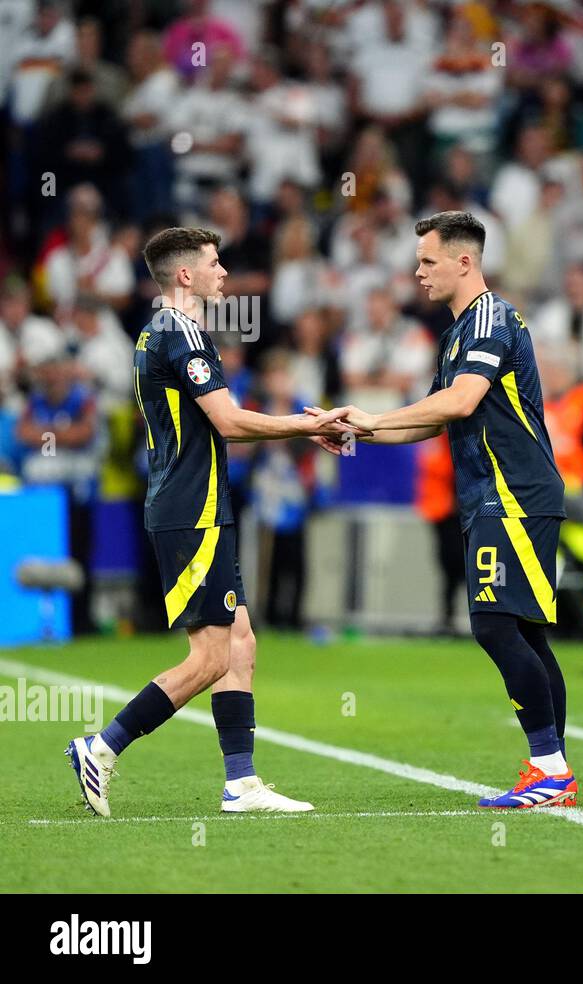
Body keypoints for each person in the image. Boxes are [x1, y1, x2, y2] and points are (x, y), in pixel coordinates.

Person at [65, 227, 358, 818]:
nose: (224, 273)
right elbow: (228, 421)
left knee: (240, 640)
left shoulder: (162, 333)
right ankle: (102, 746)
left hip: (195, 506)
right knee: (211, 658)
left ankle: (241, 783)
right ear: (184, 276)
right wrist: (310, 426)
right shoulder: (181, 334)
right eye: (215, 263)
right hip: (190, 511)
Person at [321, 212, 575, 810]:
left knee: (493, 625)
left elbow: (460, 401)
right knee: (524, 632)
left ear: (465, 261)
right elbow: (436, 419)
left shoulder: (488, 317)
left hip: (512, 491)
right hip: (495, 493)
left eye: (428, 260)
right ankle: (552, 770)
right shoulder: (459, 330)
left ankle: (550, 768)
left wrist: (378, 414)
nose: (418, 271)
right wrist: (358, 431)